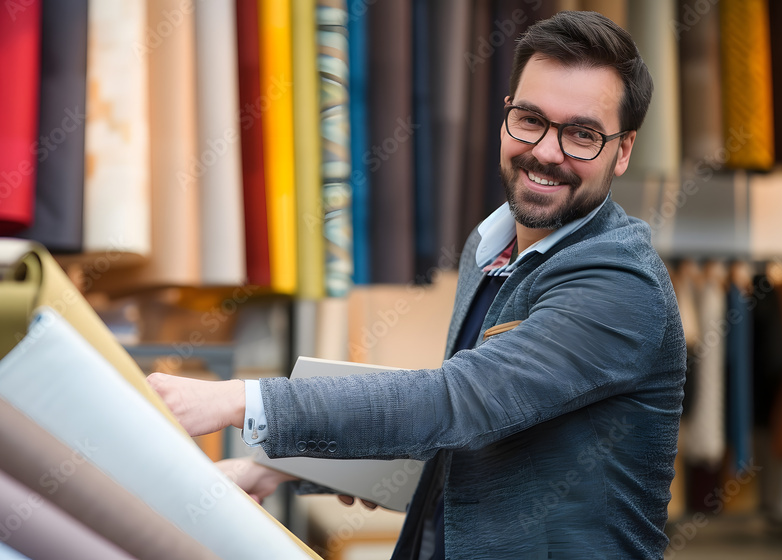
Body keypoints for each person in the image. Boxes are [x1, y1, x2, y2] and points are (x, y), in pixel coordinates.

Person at [150, 10, 685, 559]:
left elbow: (457, 402)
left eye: (582, 135)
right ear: (506, 116)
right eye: (530, 119)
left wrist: (237, 398)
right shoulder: (489, 246)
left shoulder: (621, 284)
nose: (547, 151)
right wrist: (278, 469)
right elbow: (470, 434)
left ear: (623, 151)